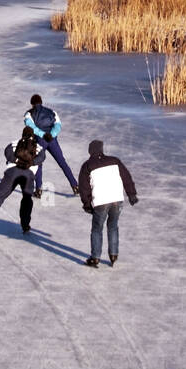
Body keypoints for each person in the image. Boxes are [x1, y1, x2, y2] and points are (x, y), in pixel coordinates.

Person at [0, 127, 45, 235]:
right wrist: (30, 163)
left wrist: (16, 160)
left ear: (22, 134)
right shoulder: (39, 147)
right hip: (28, 175)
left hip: (12, 172)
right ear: (33, 135)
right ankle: (25, 225)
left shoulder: (15, 143)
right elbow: (41, 158)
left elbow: (7, 152)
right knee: (26, 199)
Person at [78, 139, 138, 268]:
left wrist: (87, 205)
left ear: (90, 151)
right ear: (101, 149)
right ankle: (113, 255)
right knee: (113, 226)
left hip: (100, 201)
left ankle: (95, 258)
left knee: (97, 229)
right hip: (117, 199)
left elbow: (83, 188)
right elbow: (126, 177)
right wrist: (131, 194)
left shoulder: (87, 165)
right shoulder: (115, 161)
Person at [24, 94, 78, 198]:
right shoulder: (52, 112)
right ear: (41, 102)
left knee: (38, 163)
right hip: (52, 140)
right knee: (62, 163)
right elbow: (58, 125)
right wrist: (51, 135)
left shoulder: (29, 114)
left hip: (40, 140)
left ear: (32, 104)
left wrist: (43, 135)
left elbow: (30, 127)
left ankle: (39, 189)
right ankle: (75, 185)